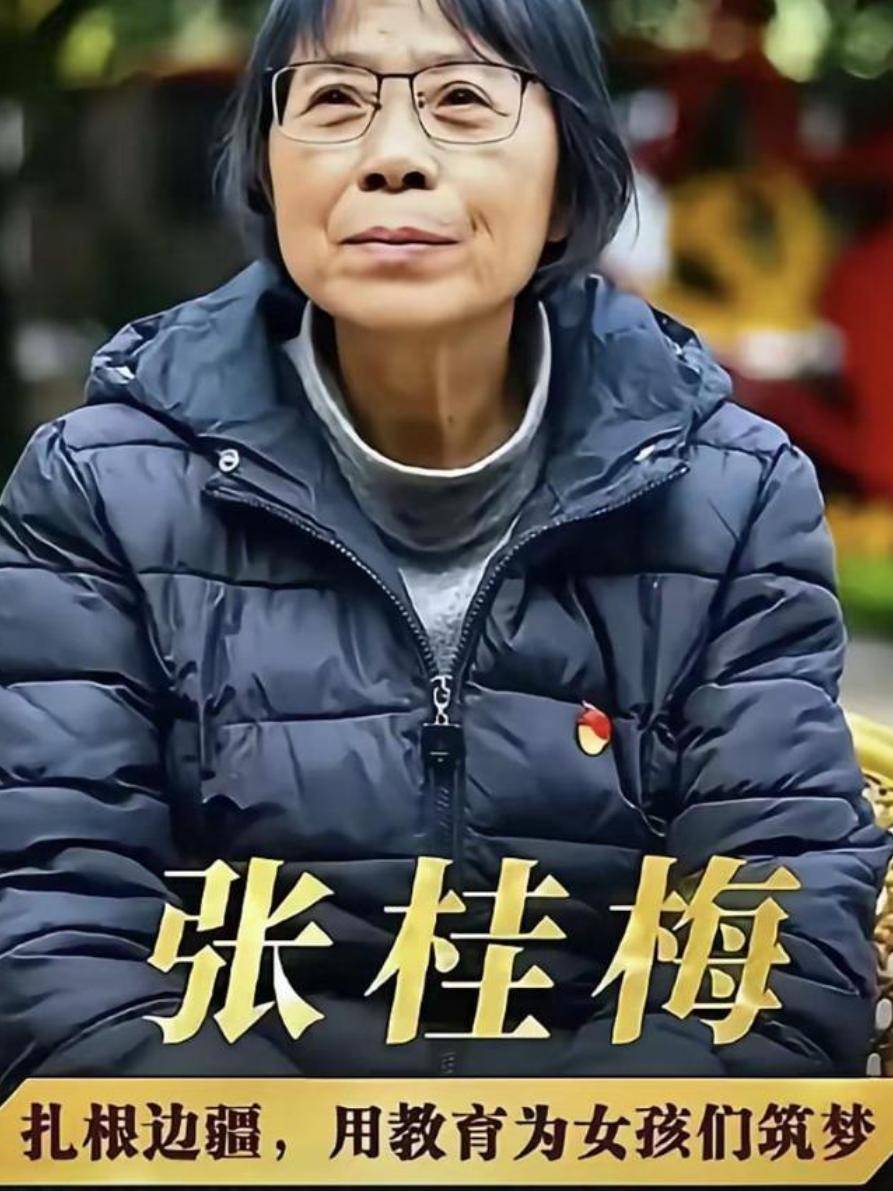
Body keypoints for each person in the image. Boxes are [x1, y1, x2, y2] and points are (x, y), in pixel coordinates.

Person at [1, 0, 890, 1101]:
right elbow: (58, 931)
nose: (393, 157)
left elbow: (774, 944)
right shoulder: (101, 490)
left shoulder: (728, 494)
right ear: (268, 174)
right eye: (334, 100)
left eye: (462, 99)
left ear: (568, 185)